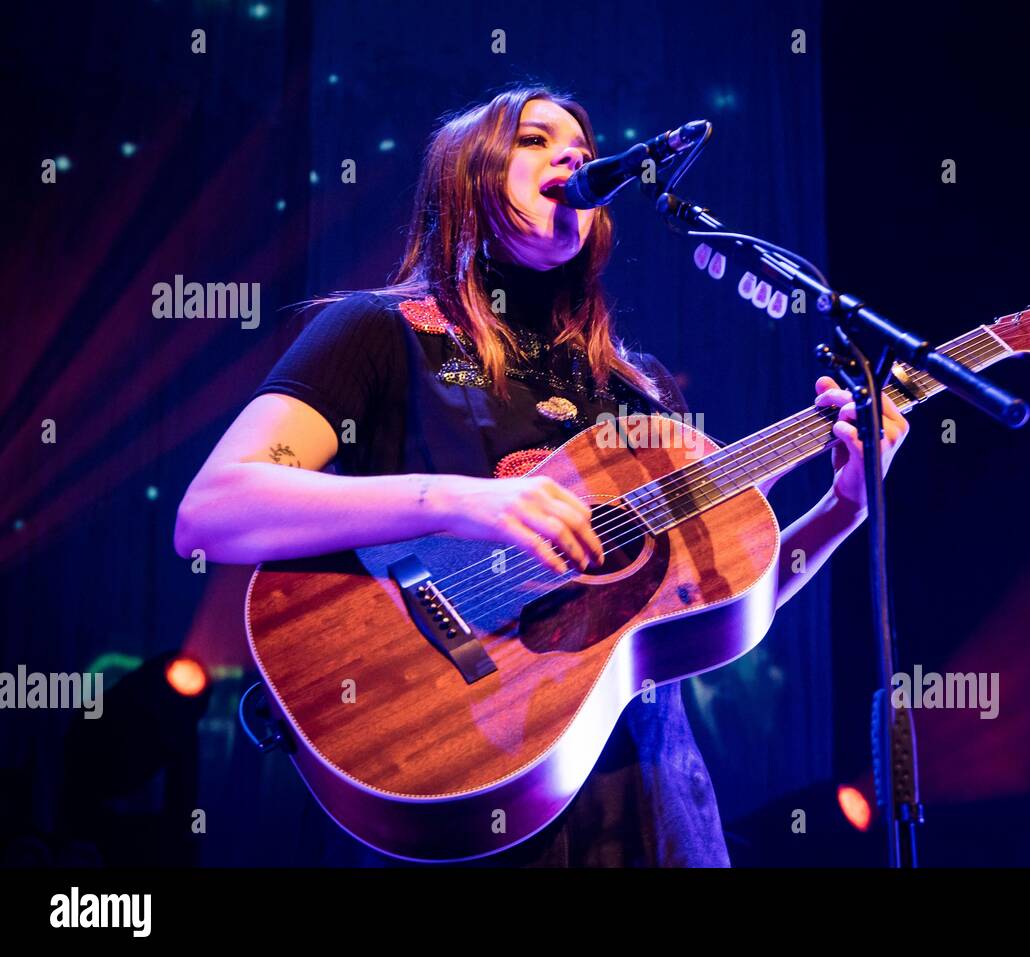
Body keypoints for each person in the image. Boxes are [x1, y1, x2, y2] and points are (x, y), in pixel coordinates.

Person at [173, 84, 909, 867]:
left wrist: (842, 507)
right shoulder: (379, 332)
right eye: (533, 139)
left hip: (652, 804)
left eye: (585, 151)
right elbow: (215, 508)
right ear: (466, 179)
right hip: (458, 770)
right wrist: (460, 501)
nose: (571, 156)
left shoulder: (642, 393)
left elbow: (705, 602)